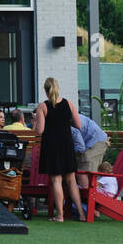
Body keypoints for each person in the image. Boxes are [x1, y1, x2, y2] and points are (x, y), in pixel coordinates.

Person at [33, 77, 85, 223]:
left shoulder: (43, 106)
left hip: (52, 146)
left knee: (56, 180)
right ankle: (81, 214)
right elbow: (79, 125)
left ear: (45, 90)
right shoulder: (69, 103)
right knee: (71, 180)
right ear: (57, 87)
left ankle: (60, 216)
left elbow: (40, 130)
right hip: (67, 144)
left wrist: (36, 120)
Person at [71, 112, 109, 190]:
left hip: (96, 141)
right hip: (87, 141)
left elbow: (80, 147)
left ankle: (88, 196)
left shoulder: (69, 125)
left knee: (84, 168)